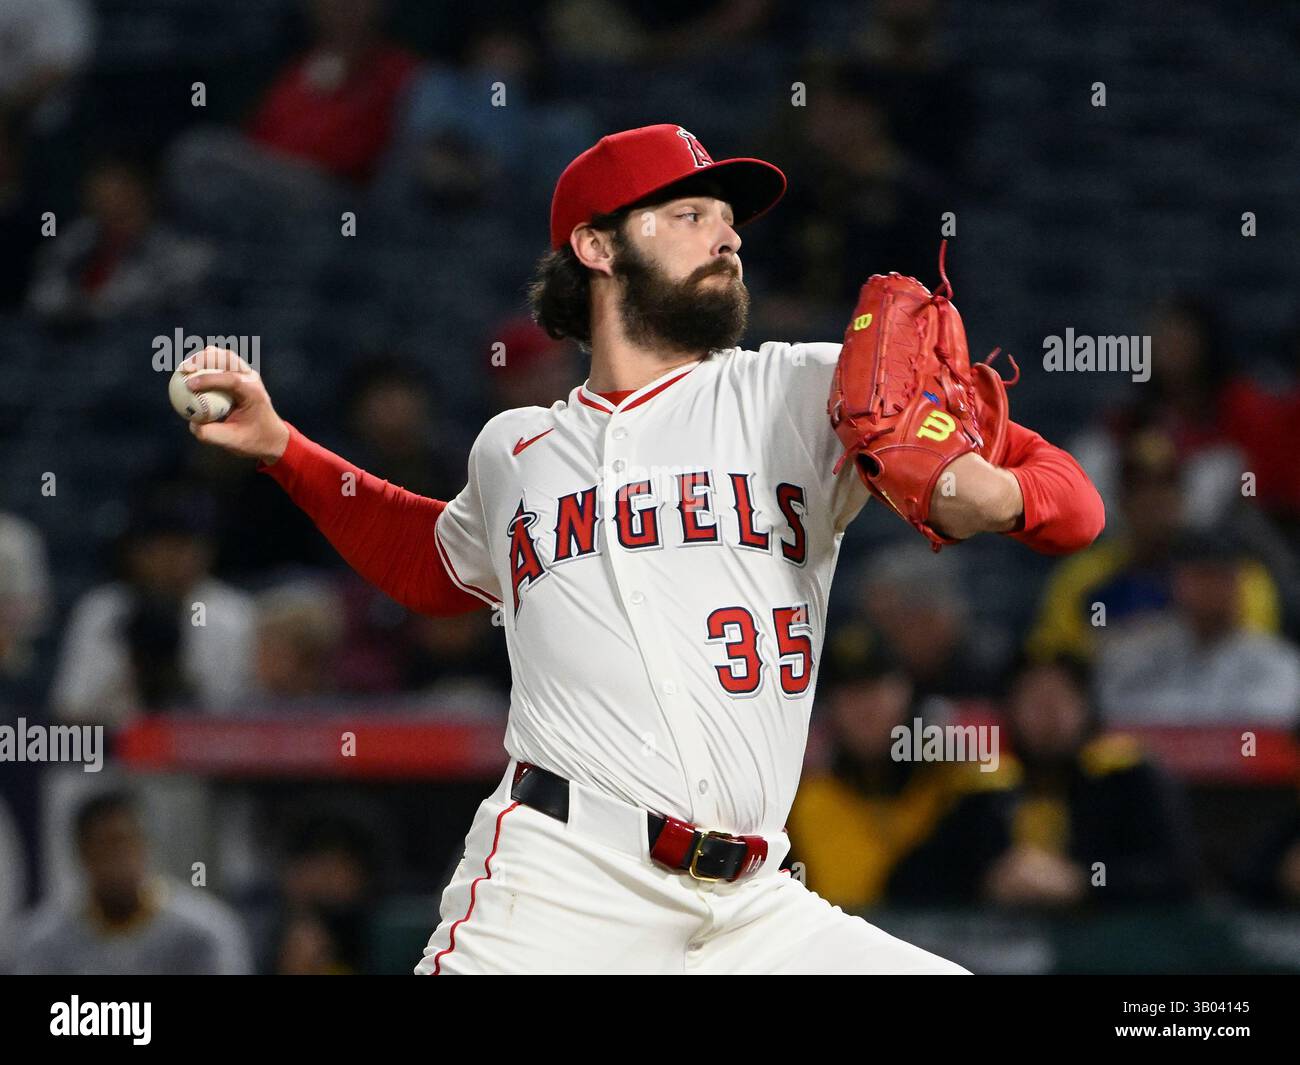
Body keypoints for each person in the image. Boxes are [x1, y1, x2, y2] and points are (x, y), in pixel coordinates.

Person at [178, 123, 1103, 974]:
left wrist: (1000, 493)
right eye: (691, 214)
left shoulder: (802, 390)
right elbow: (433, 561)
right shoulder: (517, 448)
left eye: (729, 220)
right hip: (563, 879)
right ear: (596, 245)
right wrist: (283, 449)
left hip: (754, 906)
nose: (728, 236)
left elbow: (1075, 504)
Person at [8, 790, 252, 975]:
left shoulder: (204, 932)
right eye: (104, 846)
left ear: (146, 845)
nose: (119, 859)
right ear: (82, 854)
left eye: (126, 842)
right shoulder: (44, 942)